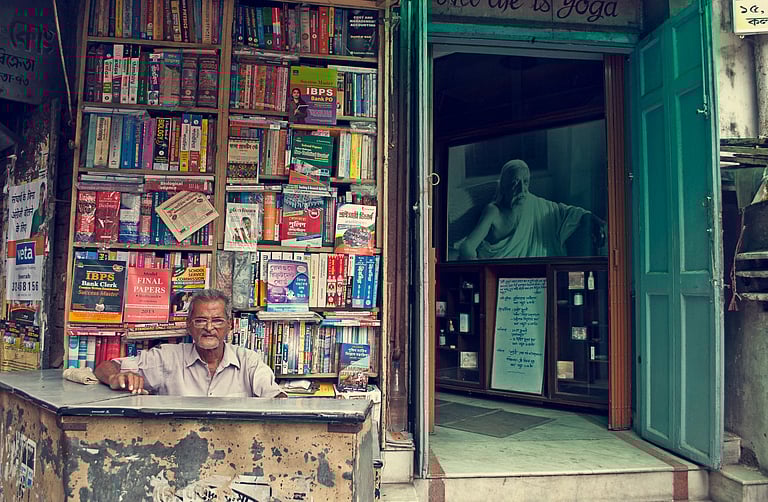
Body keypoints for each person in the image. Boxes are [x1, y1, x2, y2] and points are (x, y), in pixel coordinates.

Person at [94, 289, 285, 397]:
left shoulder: (248, 361)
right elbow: (106, 367)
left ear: (230, 325)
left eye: (217, 321)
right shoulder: (167, 358)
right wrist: (114, 378)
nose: (209, 328)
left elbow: (274, 395)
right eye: (200, 320)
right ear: (189, 326)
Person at [458, 159, 605, 260]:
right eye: (515, 183)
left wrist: (592, 218)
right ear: (504, 186)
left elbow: (565, 212)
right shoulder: (494, 211)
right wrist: (478, 273)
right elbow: (467, 246)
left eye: (526, 182)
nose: (522, 189)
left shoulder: (534, 204)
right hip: (497, 277)